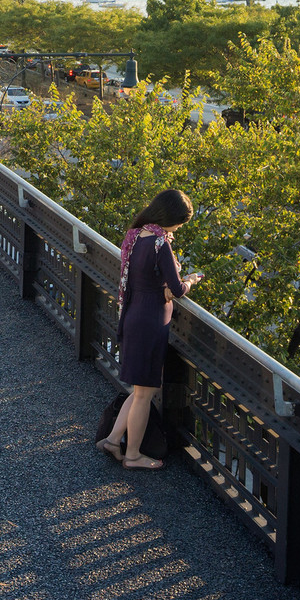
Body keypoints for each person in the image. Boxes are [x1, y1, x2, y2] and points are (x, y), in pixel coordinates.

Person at [98, 189, 203, 470]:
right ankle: (133, 456)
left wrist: (165, 285)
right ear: (171, 217)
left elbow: (145, 278)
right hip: (151, 321)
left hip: (134, 315)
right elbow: (177, 289)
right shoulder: (160, 244)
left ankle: (113, 440)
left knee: (138, 390)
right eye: (180, 222)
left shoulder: (136, 236)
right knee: (145, 395)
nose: (179, 227)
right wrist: (190, 280)